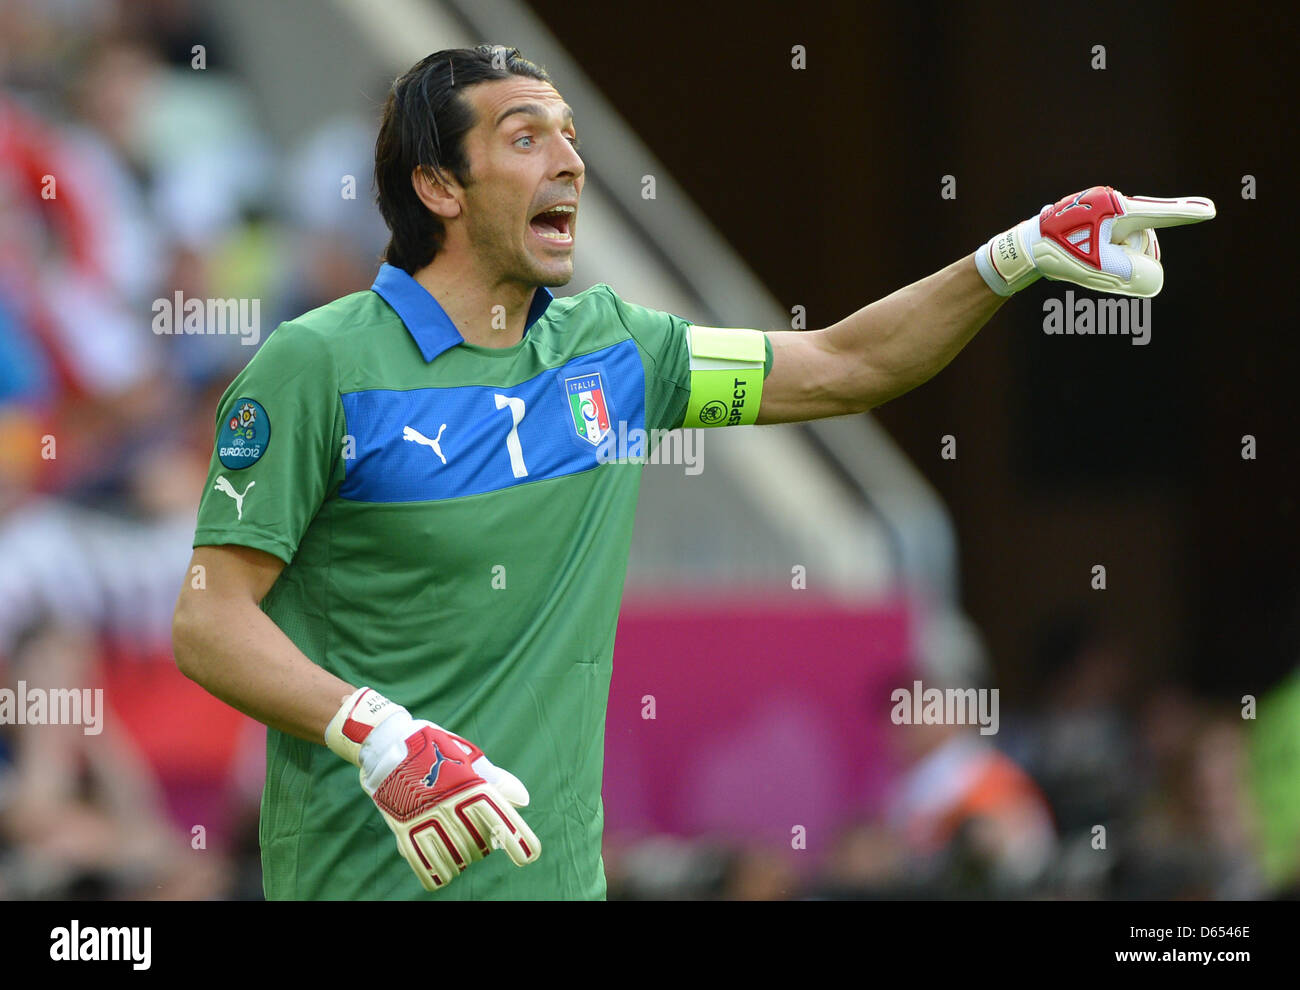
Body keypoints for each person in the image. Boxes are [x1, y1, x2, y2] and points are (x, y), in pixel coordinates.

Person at [170, 44, 1214, 900]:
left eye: (570, 137)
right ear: (438, 185)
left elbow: (847, 364)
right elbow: (210, 620)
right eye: (525, 138)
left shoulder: (617, 352)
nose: (570, 164)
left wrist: (1013, 255)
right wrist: (375, 732)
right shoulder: (315, 365)